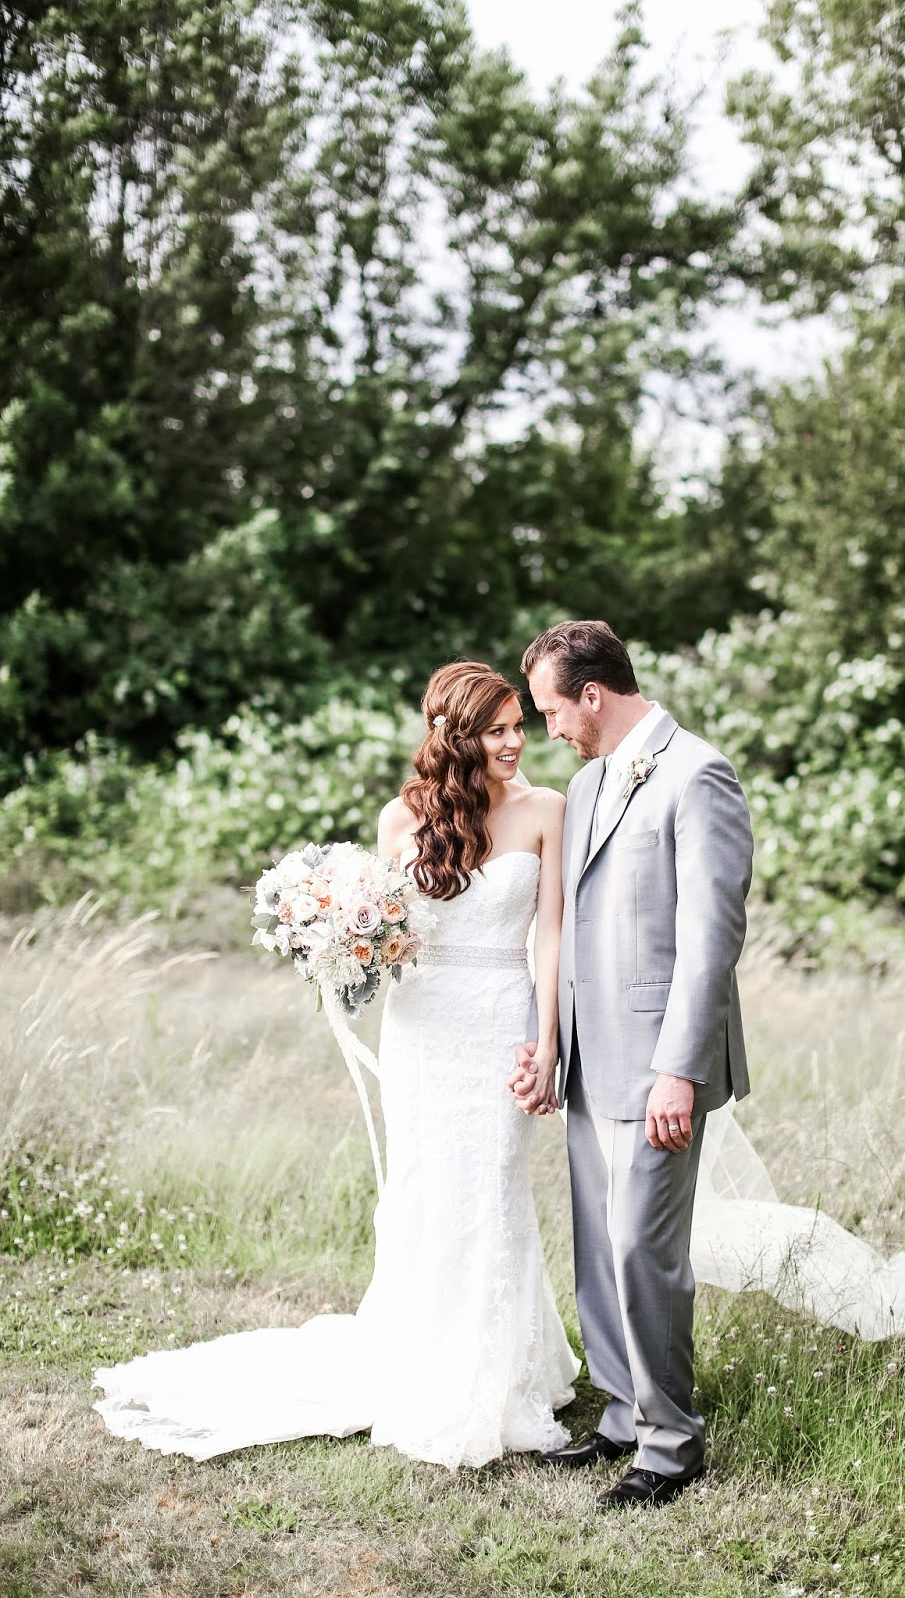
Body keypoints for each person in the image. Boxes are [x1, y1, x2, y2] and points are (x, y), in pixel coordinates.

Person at [93, 660, 579, 1468]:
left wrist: (551, 1039)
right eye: (496, 730)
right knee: (426, 1185)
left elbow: (552, 935)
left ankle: (506, 1371)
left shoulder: (547, 810)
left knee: (492, 1182)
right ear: (453, 737)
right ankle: (428, 1360)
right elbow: (390, 936)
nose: (514, 742)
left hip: (503, 1018)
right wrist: (336, 937)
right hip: (422, 1026)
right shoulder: (402, 819)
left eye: (519, 726)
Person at [512, 620, 754, 1510]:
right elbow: (566, 926)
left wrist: (679, 1070)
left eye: (550, 711)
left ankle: (671, 1443)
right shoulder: (584, 782)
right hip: (588, 1058)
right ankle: (621, 1413)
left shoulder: (697, 774)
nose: (548, 730)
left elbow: (710, 939)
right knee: (597, 1247)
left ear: (593, 694)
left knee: (644, 1250)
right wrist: (549, 1045)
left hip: (658, 1062)